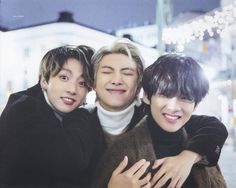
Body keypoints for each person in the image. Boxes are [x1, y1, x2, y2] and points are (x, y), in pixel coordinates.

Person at [89, 40, 228, 188]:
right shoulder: (115, 146)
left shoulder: (197, 139)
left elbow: (214, 126)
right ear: (147, 96)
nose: (173, 107)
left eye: (185, 98)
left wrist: (189, 157)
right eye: (165, 95)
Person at [0, 45, 105, 188]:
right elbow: (71, 161)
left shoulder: (64, 113)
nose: (72, 89)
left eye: (82, 83)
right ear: (44, 81)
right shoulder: (23, 110)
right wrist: (82, 112)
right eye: (64, 77)